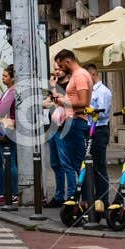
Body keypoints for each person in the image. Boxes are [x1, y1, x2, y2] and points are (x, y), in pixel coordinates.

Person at [44, 48, 93, 204]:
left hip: (76, 121)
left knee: (77, 164)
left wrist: (62, 102)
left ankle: (84, 201)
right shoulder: (77, 76)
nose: (59, 69)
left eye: (60, 65)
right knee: (75, 163)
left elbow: (84, 102)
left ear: (67, 61)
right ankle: (82, 201)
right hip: (72, 121)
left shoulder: (80, 76)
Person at [0, 65, 18, 207]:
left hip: (8, 129)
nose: (2, 78)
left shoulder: (13, 92)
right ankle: (1, 191)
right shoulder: (7, 91)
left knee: (9, 160)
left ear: (13, 78)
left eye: (5, 76)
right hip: (1, 129)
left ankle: (13, 193)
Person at [88, 68, 113, 205]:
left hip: (99, 130)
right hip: (91, 128)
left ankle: (103, 200)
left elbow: (102, 113)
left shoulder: (102, 91)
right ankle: (94, 199)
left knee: (99, 166)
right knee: (91, 166)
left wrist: (89, 110)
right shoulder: (92, 91)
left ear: (93, 74)